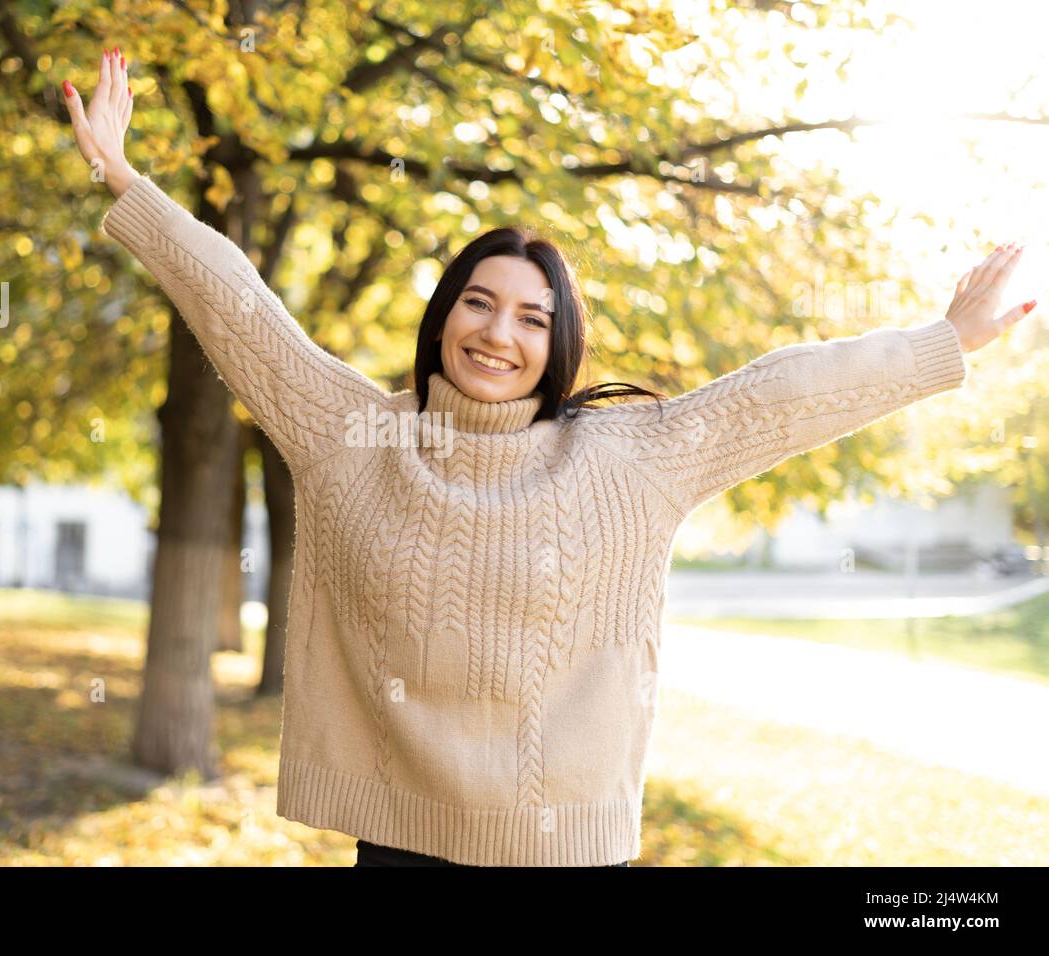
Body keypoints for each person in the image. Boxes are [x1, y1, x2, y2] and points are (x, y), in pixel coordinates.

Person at [61, 50, 1032, 867]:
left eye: (532, 316)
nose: (498, 333)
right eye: (478, 302)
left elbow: (781, 392)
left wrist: (943, 340)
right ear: (443, 318)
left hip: (563, 852)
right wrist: (124, 179)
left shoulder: (627, 459)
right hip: (397, 844)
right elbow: (242, 310)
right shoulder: (352, 435)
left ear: (557, 345)